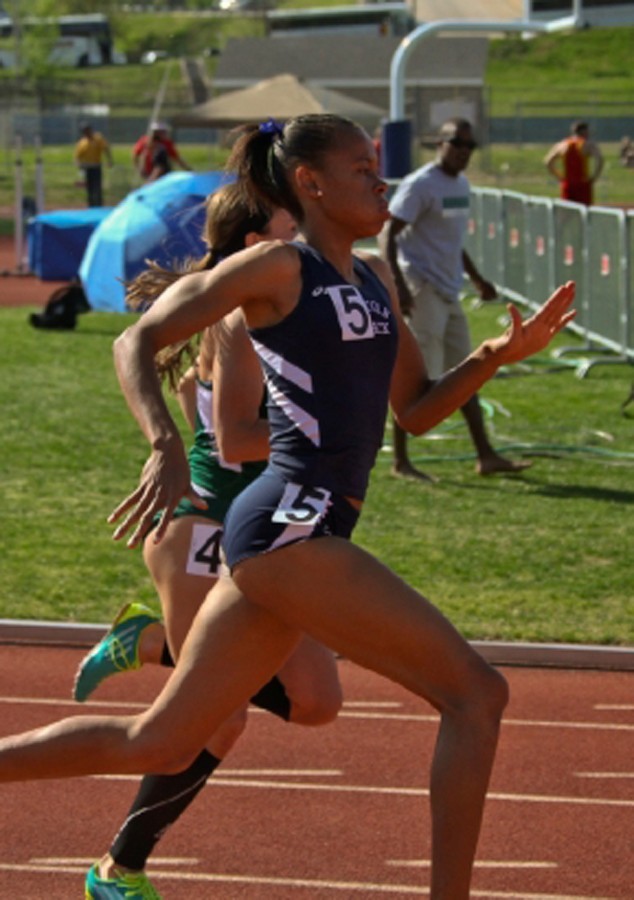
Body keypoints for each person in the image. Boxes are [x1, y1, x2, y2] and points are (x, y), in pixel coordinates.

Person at [0, 114, 575, 900]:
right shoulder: (277, 268)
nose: (381, 181)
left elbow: (413, 410)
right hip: (288, 526)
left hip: (294, 533)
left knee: (163, 740)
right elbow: (132, 341)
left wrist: (492, 357)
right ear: (310, 183)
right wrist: (165, 443)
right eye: (363, 168)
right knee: (478, 694)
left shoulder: (373, 277)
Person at [74, 183, 343, 899]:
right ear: (259, 241)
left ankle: (153, 641)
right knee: (216, 717)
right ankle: (119, 871)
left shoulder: (285, 302)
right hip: (203, 521)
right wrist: (331, 430)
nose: (305, 242)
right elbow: (233, 437)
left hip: (262, 528)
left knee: (317, 700)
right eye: (293, 228)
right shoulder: (236, 319)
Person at [382, 117, 532, 480]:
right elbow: (390, 233)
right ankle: (401, 461)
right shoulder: (420, 185)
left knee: (468, 374)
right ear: (440, 143)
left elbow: (452, 243)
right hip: (422, 290)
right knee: (415, 381)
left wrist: (477, 278)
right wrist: (398, 287)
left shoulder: (462, 184)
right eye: (456, 143)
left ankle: (486, 456)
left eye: (470, 145)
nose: (463, 151)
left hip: (450, 291)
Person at [544, 120, 604, 206]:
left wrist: (560, 177)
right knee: (584, 214)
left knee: (566, 213)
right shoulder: (587, 144)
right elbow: (599, 159)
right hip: (583, 184)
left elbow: (548, 161)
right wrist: (594, 177)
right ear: (584, 131)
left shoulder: (562, 144)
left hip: (568, 184)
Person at [73, 122, 113, 207]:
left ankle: (98, 205)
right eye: (85, 131)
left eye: (88, 130)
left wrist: (109, 160)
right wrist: (79, 165)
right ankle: (91, 205)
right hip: (87, 168)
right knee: (89, 188)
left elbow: (106, 149)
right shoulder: (82, 143)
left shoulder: (98, 138)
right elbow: (77, 156)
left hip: (96, 166)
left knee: (97, 187)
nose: (87, 133)